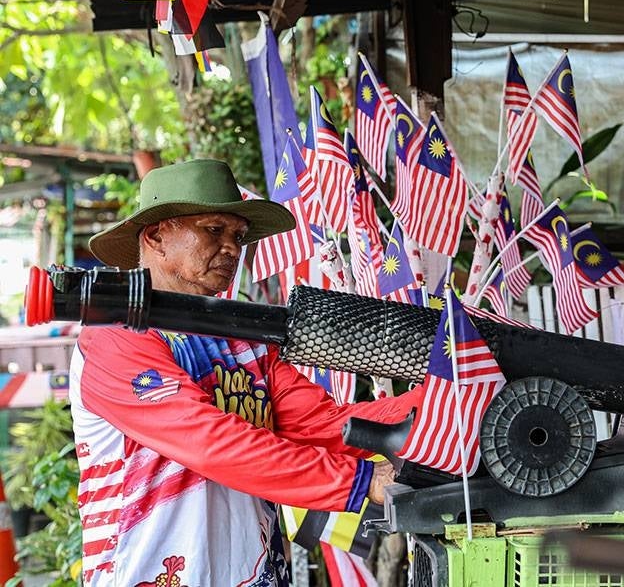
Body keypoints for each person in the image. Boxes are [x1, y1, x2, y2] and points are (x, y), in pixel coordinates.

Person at [73, 159, 420, 587]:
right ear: (156, 237)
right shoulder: (115, 334)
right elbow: (210, 442)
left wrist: (446, 398)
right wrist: (362, 480)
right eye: (213, 230)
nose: (233, 248)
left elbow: (327, 425)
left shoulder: (241, 340)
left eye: (237, 235)